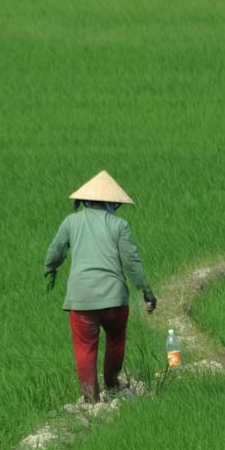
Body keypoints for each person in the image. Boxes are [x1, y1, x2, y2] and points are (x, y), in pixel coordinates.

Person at [44, 170, 157, 404]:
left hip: (81, 298)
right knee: (116, 339)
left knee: (85, 346)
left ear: (85, 200)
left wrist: (50, 267)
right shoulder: (120, 225)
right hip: (114, 299)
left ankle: (90, 399)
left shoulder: (71, 222)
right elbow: (131, 261)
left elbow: (56, 251)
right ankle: (112, 382)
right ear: (112, 202)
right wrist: (146, 291)